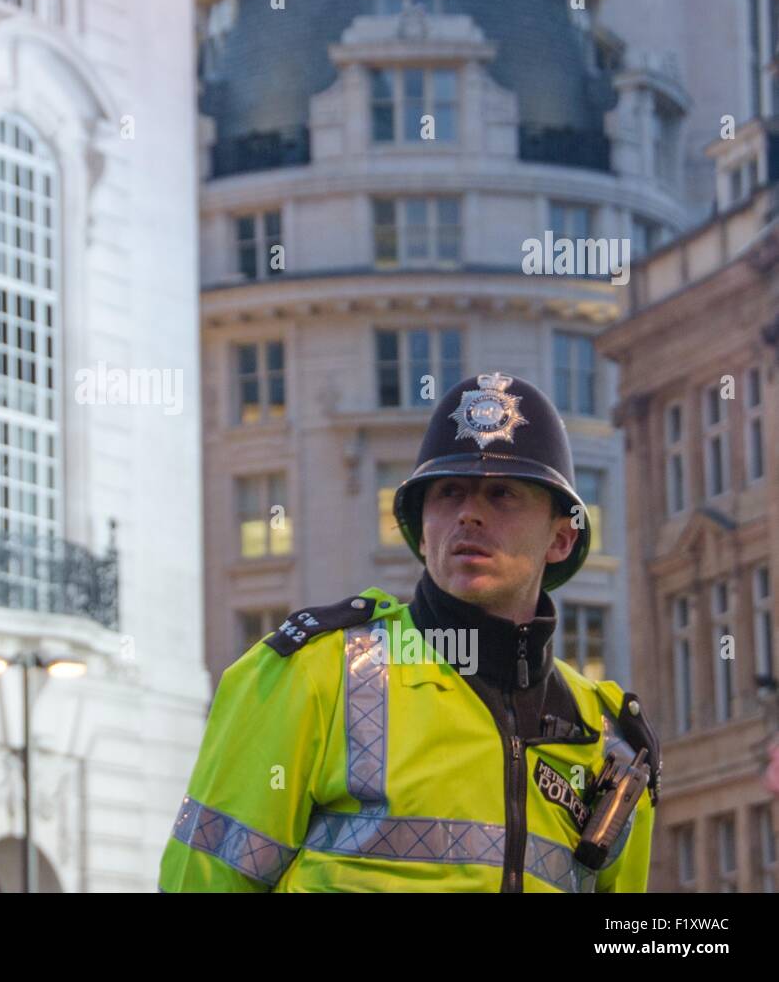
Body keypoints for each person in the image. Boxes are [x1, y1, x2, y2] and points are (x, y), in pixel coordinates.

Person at [159, 371, 660, 892]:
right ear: (421, 530)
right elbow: (202, 881)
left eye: (503, 495)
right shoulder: (315, 672)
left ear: (561, 537)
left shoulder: (611, 744)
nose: (469, 514)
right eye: (448, 493)